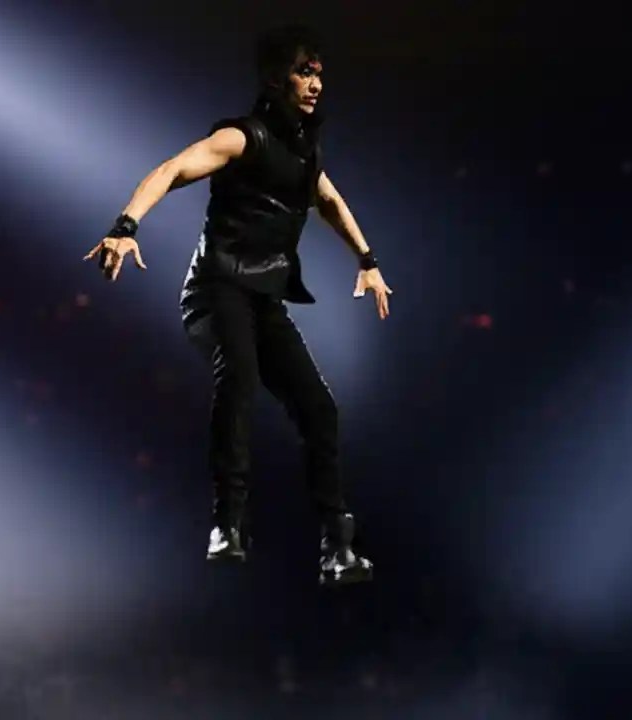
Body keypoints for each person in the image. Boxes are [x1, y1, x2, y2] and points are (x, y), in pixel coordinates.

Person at [84, 24, 391, 586]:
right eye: (304, 71)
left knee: (319, 408)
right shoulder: (241, 137)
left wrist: (367, 260)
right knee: (241, 378)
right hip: (214, 289)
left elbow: (328, 199)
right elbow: (175, 167)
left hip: (263, 298)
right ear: (276, 80)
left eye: (319, 71)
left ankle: (336, 547)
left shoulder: (304, 152)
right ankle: (227, 523)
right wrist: (126, 225)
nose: (315, 81)